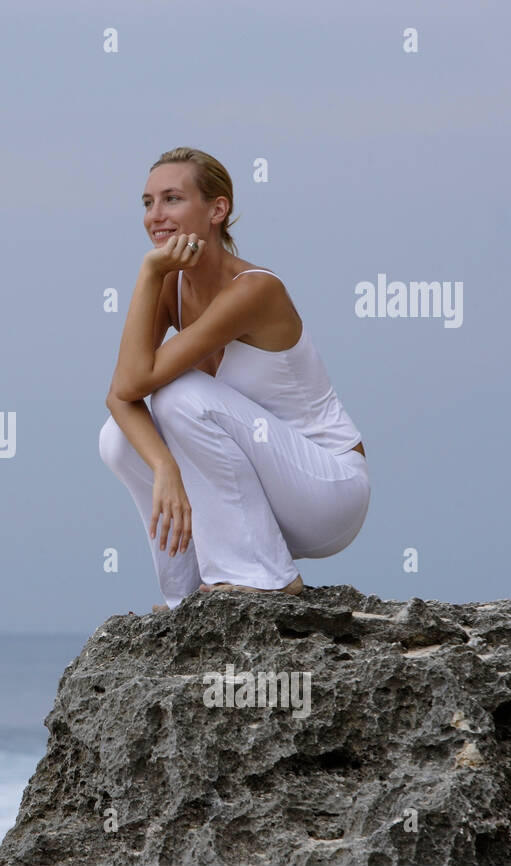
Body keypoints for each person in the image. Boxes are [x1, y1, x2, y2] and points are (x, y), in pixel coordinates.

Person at [99, 147, 370, 609]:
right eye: (148, 203)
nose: (156, 215)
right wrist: (164, 467)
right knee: (118, 438)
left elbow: (138, 382)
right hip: (262, 495)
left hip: (328, 491)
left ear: (217, 210)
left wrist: (148, 268)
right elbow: (120, 394)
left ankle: (261, 575)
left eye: (172, 199)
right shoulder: (170, 284)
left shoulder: (255, 290)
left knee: (177, 393)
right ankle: (186, 590)